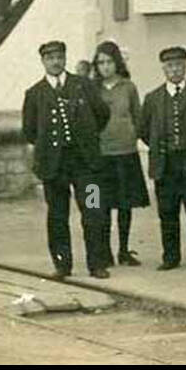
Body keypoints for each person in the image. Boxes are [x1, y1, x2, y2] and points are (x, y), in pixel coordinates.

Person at [23, 40, 112, 279]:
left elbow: (102, 114)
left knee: (94, 211)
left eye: (59, 57)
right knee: (57, 214)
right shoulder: (34, 94)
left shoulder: (84, 85)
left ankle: (97, 264)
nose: (55, 62)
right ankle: (62, 265)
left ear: (65, 58)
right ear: (43, 62)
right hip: (54, 167)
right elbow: (30, 130)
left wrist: (87, 138)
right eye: (50, 58)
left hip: (87, 165)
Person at [140, 46, 186, 271]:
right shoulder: (152, 98)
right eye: (170, 65)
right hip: (165, 164)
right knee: (167, 213)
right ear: (163, 68)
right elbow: (144, 130)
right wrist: (163, 148)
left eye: (179, 64)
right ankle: (170, 257)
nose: (175, 69)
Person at [92, 41, 150, 267]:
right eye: (100, 63)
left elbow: (138, 117)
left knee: (125, 204)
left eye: (109, 62)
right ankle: (102, 251)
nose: (105, 67)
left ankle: (124, 250)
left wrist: (131, 135)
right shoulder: (91, 89)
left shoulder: (129, 87)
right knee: (97, 204)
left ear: (117, 62)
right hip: (99, 157)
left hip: (125, 154)